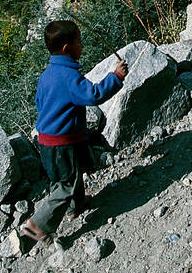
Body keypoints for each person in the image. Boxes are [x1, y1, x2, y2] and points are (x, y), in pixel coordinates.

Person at [20, 20, 127, 245]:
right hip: (61, 142)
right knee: (65, 184)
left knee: (69, 173)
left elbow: (40, 103)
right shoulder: (69, 77)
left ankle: (75, 207)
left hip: (49, 140)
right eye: (79, 41)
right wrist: (115, 77)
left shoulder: (47, 75)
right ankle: (35, 227)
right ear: (67, 48)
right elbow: (93, 95)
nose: (82, 45)